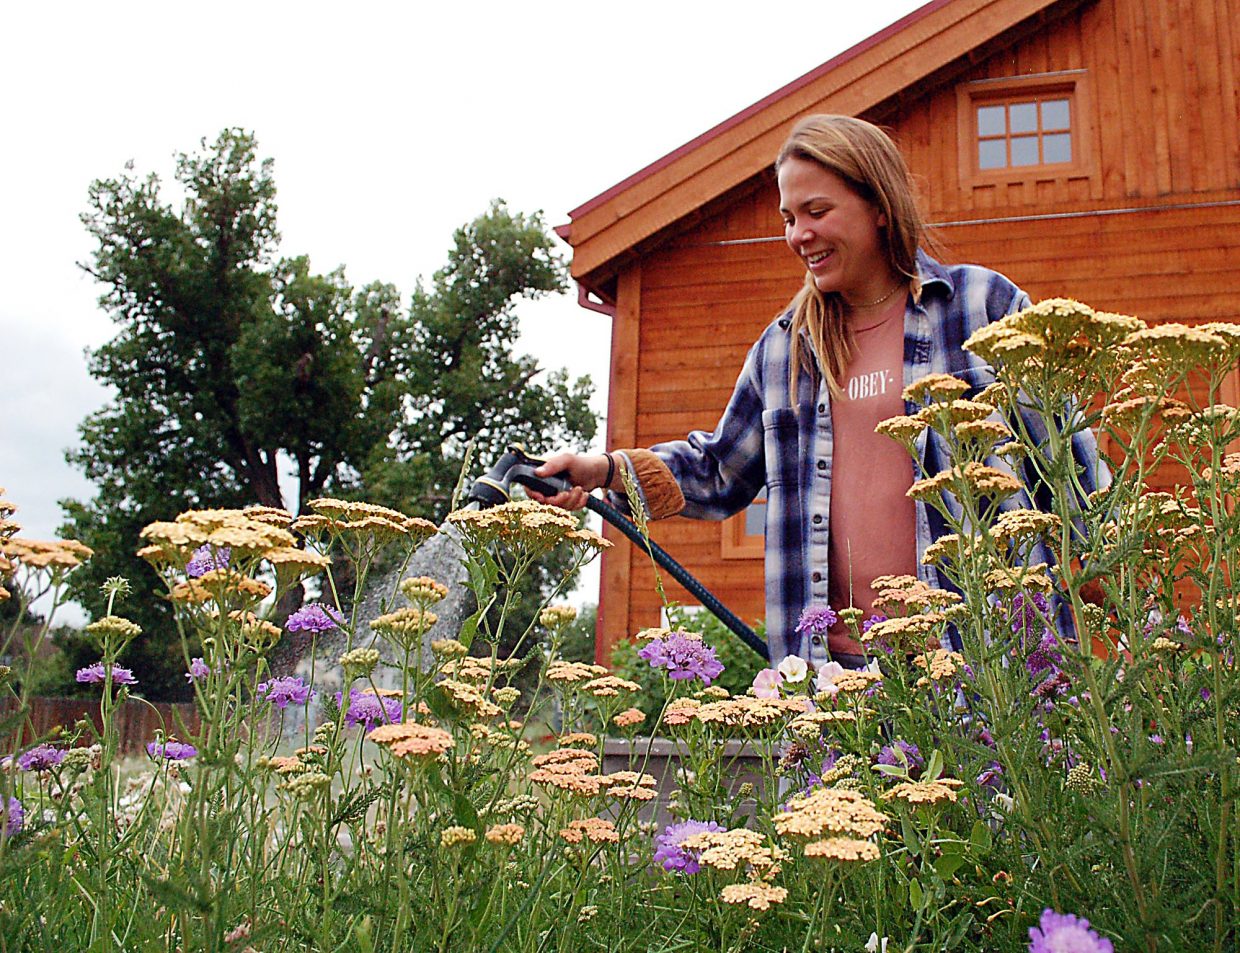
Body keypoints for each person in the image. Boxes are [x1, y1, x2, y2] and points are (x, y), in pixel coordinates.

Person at [533, 114, 1103, 669]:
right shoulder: (785, 348)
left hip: (989, 670)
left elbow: (1069, 467)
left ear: (878, 206)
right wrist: (601, 469)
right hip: (835, 681)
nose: (798, 234)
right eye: (788, 217)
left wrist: (1105, 592)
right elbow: (719, 469)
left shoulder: (983, 307)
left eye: (817, 211)